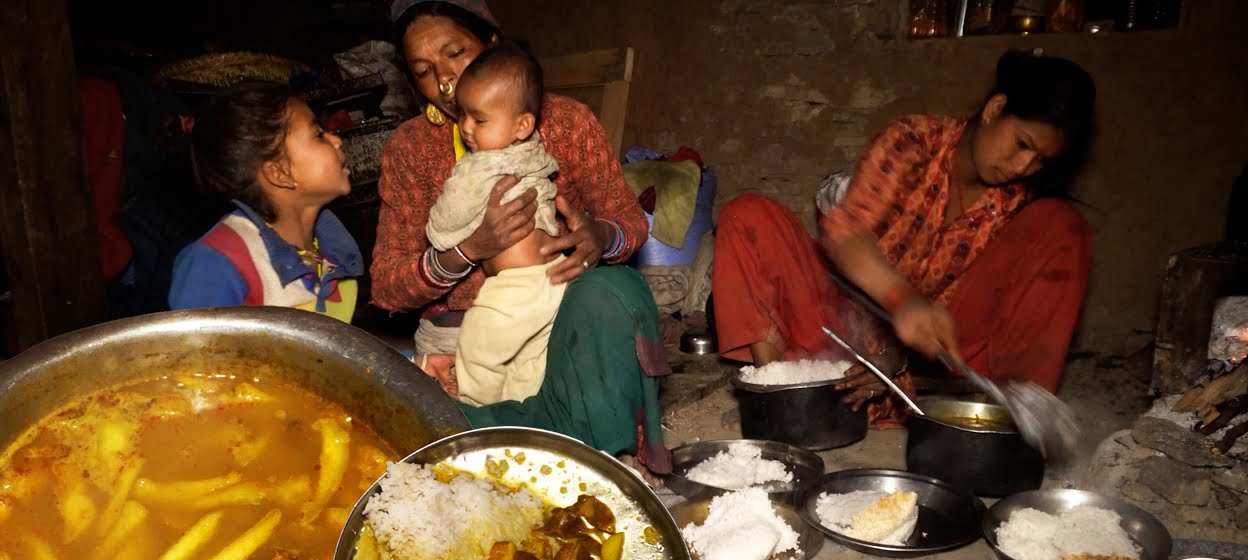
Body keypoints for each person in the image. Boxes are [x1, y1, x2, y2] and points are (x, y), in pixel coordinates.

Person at [712, 49, 1096, 427]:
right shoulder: (913, 141)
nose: (1023, 166)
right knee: (748, 214)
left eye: (1040, 160)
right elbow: (846, 231)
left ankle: (1016, 417)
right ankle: (785, 394)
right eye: (1023, 144)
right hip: (833, 323)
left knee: (1061, 223)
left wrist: (895, 358)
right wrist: (903, 299)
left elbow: (964, 313)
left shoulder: (1015, 205)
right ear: (995, 109)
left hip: (923, 357)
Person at [371, 0, 669, 474]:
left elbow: (629, 224)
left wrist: (598, 237)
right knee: (411, 441)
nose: (445, 81)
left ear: (492, 45)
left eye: (456, 53)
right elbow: (386, 286)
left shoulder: (566, 123)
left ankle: (588, 449)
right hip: (461, 345)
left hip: (553, 319)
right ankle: (531, 439)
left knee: (617, 292)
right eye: (424, 71)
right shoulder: (409, 149)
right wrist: (468, 251)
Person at [427, 42, 564, 406]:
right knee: (528, 362)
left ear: (522, 125)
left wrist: (440, 227)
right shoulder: (532, 152)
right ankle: (520, 419)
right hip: (551, 281)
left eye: (480, 119)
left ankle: (477, 419)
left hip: (515, 287)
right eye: (463, 115)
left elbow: (444, 224)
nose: (466, 128)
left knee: (476, 346)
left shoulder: (482, 167)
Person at [169, 82, 363, 321]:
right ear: (279, 173)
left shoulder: (331, 249)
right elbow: (200, 356)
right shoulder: (216, 264)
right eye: (319, 135)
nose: (336, 140)